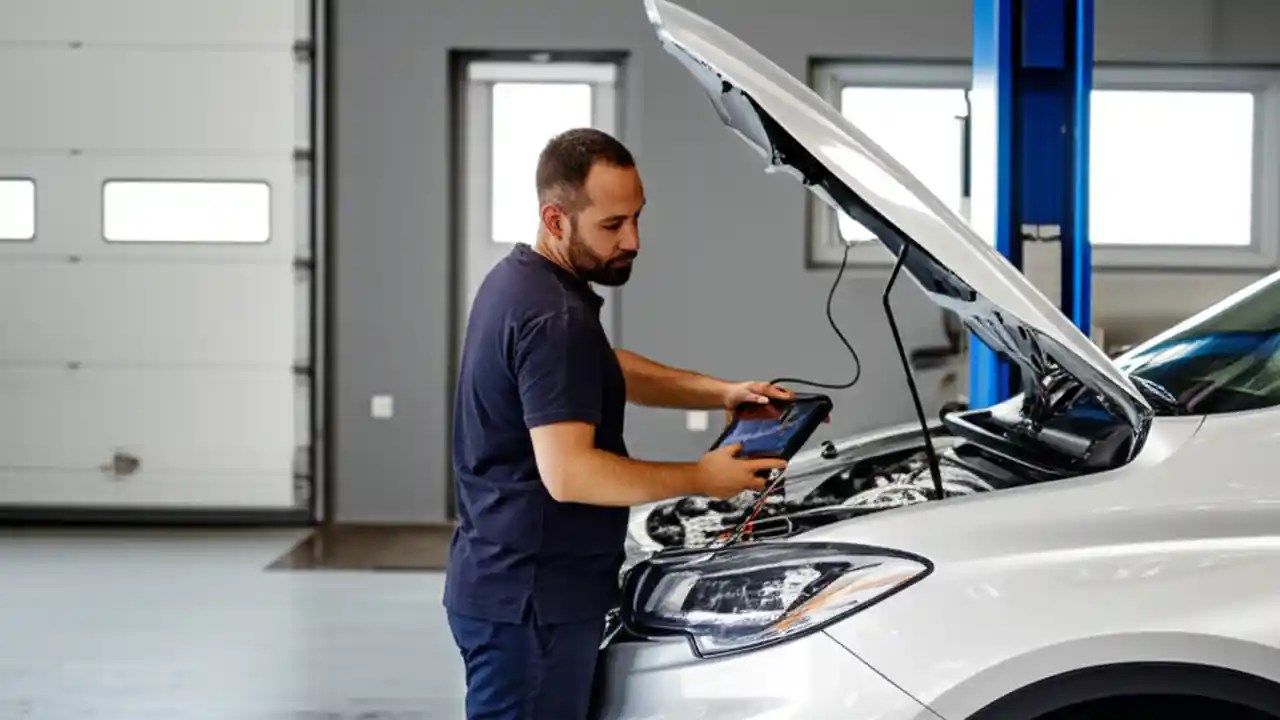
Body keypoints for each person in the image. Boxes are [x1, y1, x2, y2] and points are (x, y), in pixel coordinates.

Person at [445, 127, 793, 719]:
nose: (632, 240)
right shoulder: (555, 318)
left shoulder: (521, 282)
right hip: (536, 604)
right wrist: (701, 477)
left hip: (509, 585)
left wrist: (720, 393)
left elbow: (606, 370)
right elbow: (571, 475)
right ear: (556, 220)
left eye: (636, 218)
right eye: (612, 225)